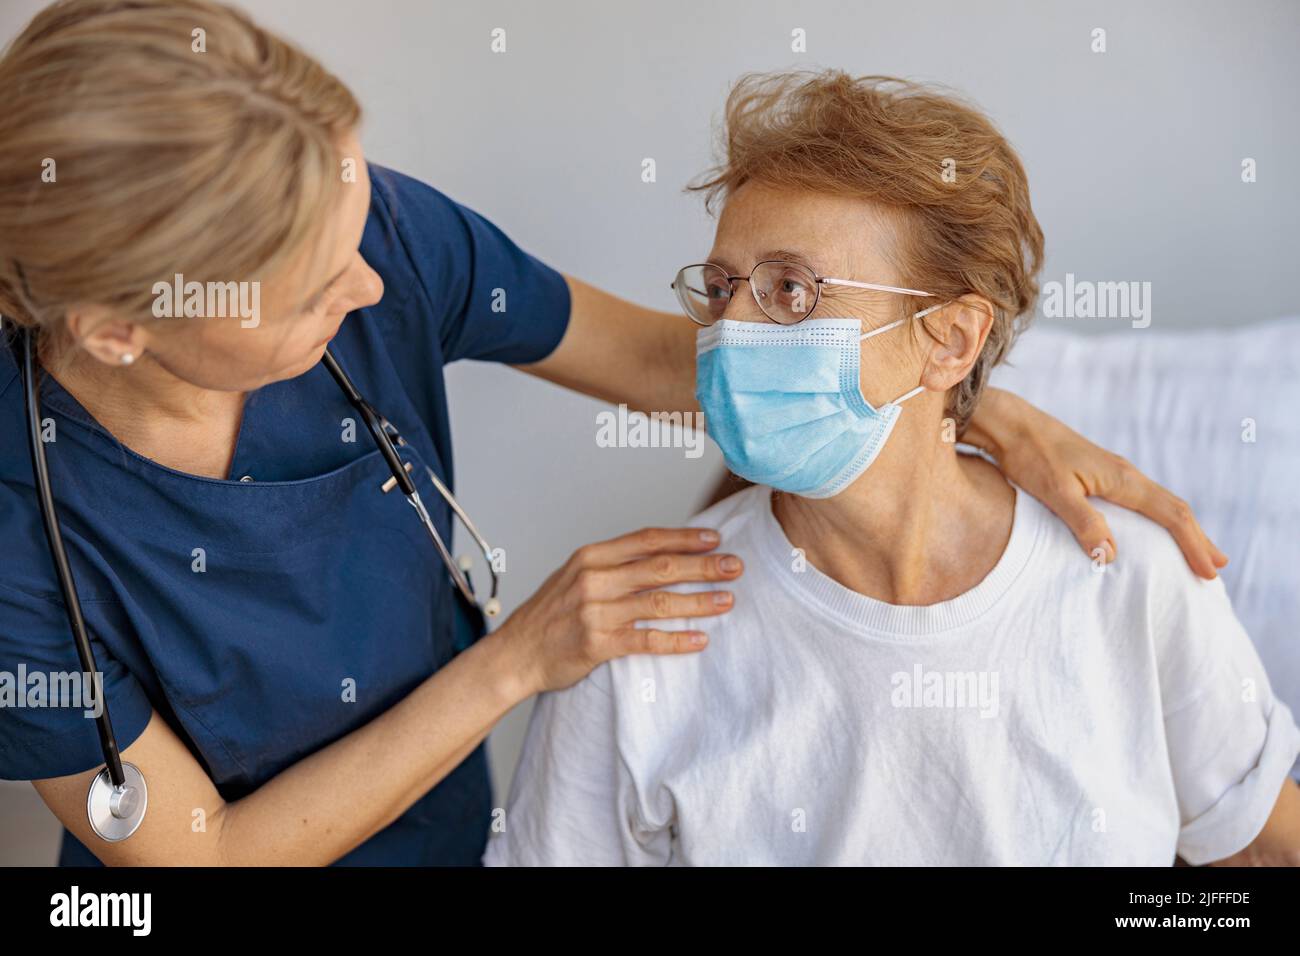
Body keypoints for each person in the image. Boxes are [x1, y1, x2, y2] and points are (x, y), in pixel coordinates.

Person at [0, 2, 1226, 867]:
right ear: (118, 330)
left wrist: (955, 393)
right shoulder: (19, 513)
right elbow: (196, 856)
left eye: (358, 229)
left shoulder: (376, 237)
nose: (372, 290)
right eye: (318, 292)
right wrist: (521, 657)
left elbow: (667, 359)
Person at [483, 71, 1300, 866]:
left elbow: (1254, 845)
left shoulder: (1130, 577)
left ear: (949, 340)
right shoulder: (639, 631)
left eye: (791, 290)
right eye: (724, 286)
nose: (730, 328)